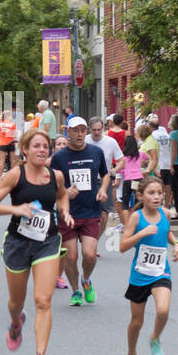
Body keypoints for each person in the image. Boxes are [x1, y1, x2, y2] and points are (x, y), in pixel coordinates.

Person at [0, 130, 71, 355]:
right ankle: (15, 322)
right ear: (25, 149)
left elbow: (62, 194)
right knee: (16, 302)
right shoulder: (15, 175)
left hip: (47, 241)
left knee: (43, 300)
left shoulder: (55, 176)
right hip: (17, 243)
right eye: (37, 146)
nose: (42, 150)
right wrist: (17, 208)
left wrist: (64, 211)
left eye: (46, 146)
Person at [121, 176, 178, 355]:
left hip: (160, 272)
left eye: (160, 193)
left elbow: (167, 232)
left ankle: (155, 338)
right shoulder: (136, 218)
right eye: (151, 193)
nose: (157, 197)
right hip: (140, 275)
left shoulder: (165, 213)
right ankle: (132, 354)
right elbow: (122, 246)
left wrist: (177, 244)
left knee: (163, 311)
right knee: (137, 322)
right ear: (141, 196)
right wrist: (141, 234)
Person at [51, 116, 111, 307]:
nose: (79, 134)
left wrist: (102, 189)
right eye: (75, 130)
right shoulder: (59, 157)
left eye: (82, 130)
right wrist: (64, 192)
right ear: (68, 132)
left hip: (91, 211)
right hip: (68, 213)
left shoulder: (96, 152)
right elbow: (51, 185)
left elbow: (106, 174)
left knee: (89, 255)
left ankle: (86, 280)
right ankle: (76, 290)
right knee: (71, 256)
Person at [88, 116, 124, 234]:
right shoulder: (85, 141)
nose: (97, 132)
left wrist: (115, 170)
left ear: (103, 128)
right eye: (94, 130)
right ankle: (88, 239)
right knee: (89, 214)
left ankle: (95, 242)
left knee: (104, 215)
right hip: (88, 181)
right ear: (90, 129)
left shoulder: (110, 142)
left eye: (99, 129)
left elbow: (121, 160)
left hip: (104, 180)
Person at [116, 134, 145, 232]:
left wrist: (125, 171)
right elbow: (149, 159)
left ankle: (127, 225)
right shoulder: (140, 154)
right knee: (138, 203)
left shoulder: (123, 157)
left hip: (128, 180)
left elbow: (120, 171)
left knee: (125, 203)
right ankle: (138, 224)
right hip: (138, 179)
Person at [152, 116, 172, 212]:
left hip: (159, 166)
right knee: (168, 187)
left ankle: (158, 207)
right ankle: (167, 207)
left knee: (158, 188)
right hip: (168, 164)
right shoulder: (168, 136)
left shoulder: (152, 136)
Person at [0, 110, 18, 174]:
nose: (12, 117)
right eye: (11, 116)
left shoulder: (0, 124)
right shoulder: (12, 124)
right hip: (11, 143)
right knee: (12, 160)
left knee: (2, 160)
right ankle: (12, 174)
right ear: (8, 116)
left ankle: (0, 175)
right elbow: (15, 135)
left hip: (3, 143)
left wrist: (3, 131)